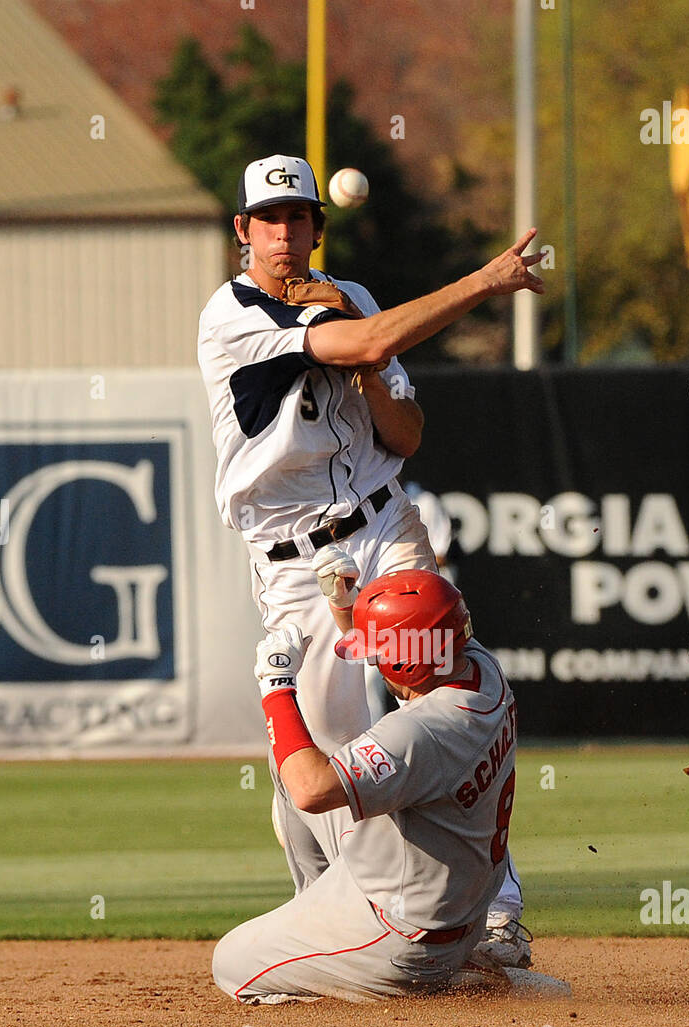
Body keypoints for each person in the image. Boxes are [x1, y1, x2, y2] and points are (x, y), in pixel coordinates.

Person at [198, 154, 542, 966]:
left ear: (318, 227)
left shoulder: (349, 298)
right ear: (243, 232)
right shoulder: (232, 315)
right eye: (268, 221)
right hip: (298, 560)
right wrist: (484, 282)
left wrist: (366, 361)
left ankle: (497, 919)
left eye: (299, 219)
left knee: (448, 694)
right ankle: (337, 912)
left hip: (387, 523)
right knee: (332, 747)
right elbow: (376, 335)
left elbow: (407, 435)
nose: (285, 234)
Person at [211, 570, 570, 1004]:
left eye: (380, 653)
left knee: (231, 964)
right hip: (447, 905)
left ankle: (444, 980)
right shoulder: (479, 667)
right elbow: (414, 644)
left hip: (404, 936)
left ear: (407, 659)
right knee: (290, 759)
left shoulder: (423, 732)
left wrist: (276, 687)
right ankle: (316, 922)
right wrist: (348, 611)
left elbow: (311, 788)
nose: (375, 662)